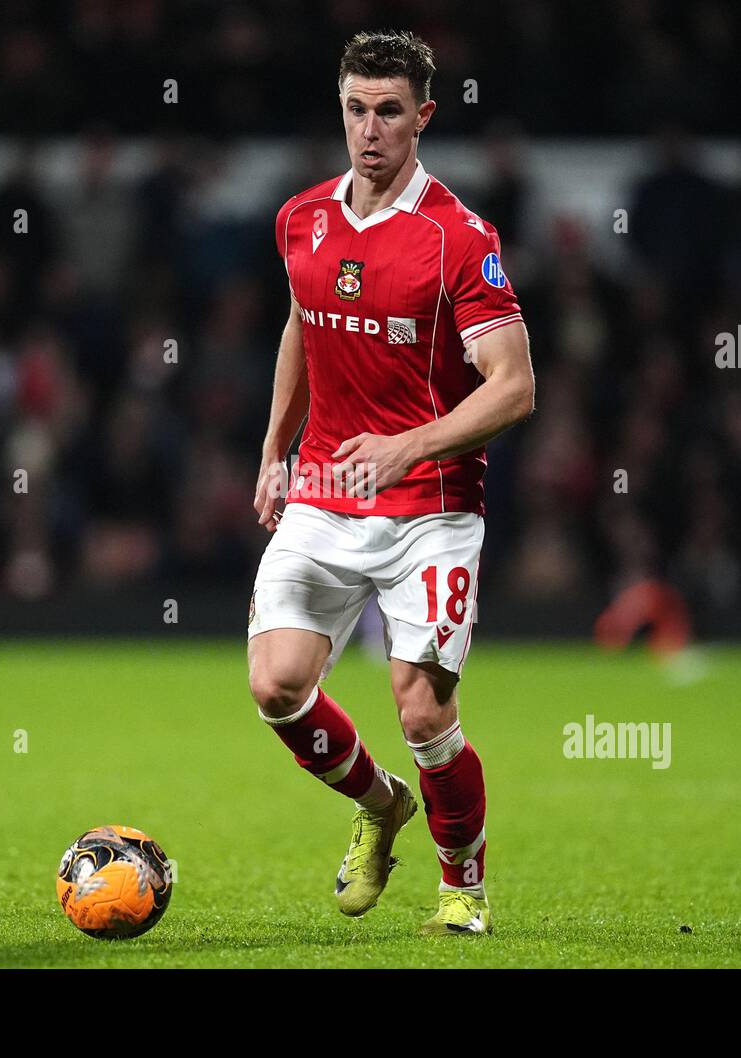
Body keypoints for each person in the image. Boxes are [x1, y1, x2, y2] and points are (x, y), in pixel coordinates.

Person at [247, 30, 533, 936]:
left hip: (431, 506)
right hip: (327, 488)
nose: (370, 130)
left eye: (390, 112)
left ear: (424, 118)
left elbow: (516, 386)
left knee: (422, 709)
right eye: (356, 110)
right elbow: (303, 325)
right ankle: (380, 805)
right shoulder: (301, 217)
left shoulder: (457, 237)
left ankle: (463, 888)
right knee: (277, 686)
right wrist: (274, 449)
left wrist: (411, 447)